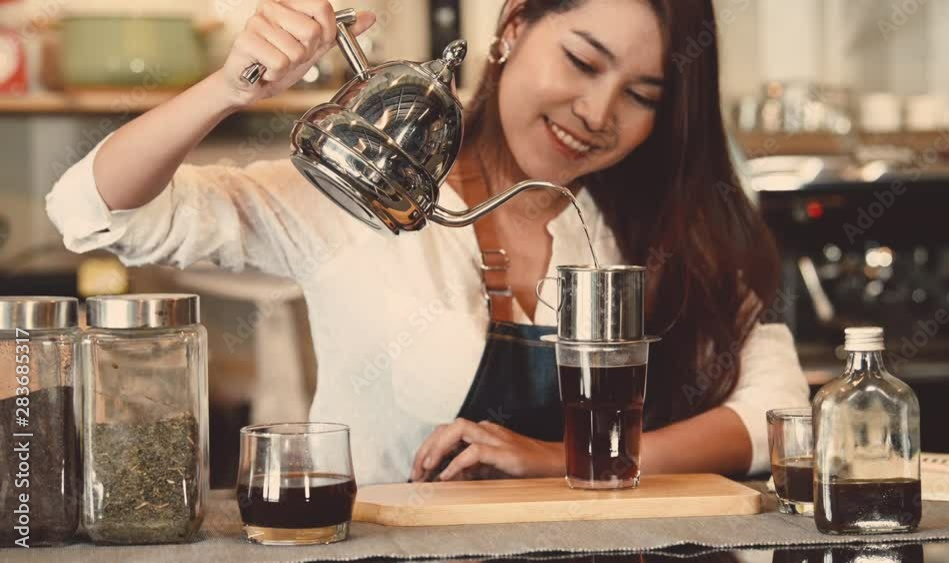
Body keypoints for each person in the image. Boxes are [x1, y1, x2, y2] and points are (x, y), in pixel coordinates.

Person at [45, 0, 808, 486]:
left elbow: (775, 408)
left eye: (643, 95)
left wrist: (559, 459)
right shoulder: (368, 193)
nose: (599, 111)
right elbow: (97, 211)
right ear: (513, 28)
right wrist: (231, 87)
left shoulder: (654, 231)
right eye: (581, 61)